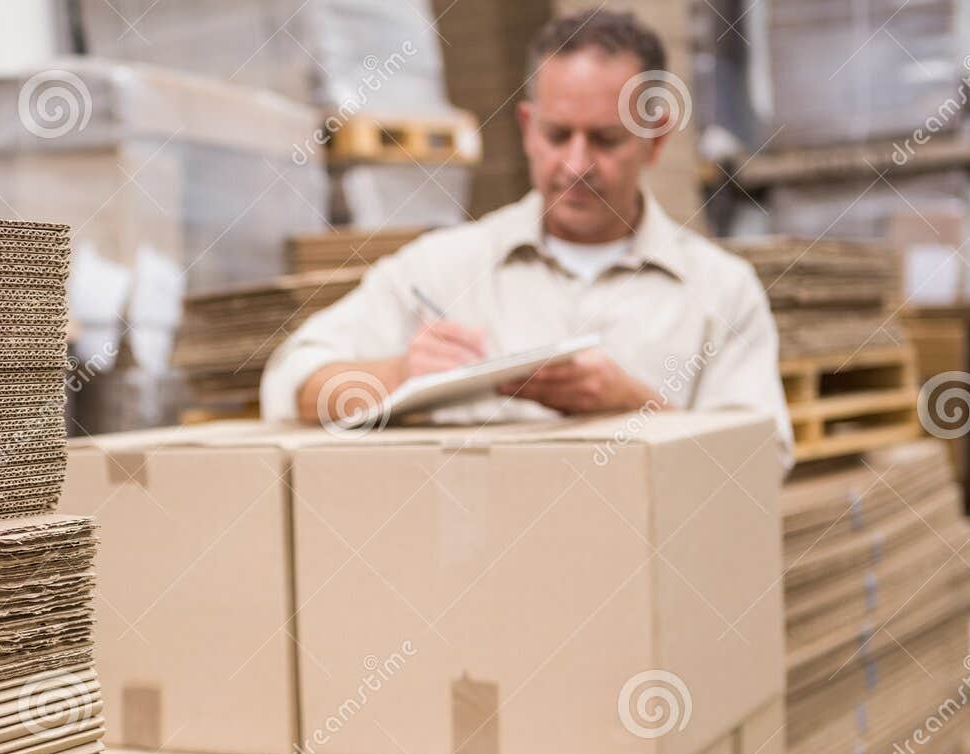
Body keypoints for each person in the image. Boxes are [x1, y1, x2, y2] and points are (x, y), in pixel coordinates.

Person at [260, 7, 793, 470]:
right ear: (526, 128)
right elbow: (289, 384)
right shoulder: (441, 269)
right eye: (558, 135)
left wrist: (638, 409)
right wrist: (398, 374)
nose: (576, 165)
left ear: (653, 141)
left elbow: (759, 469)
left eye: (606, 140)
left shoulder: (723, 293)